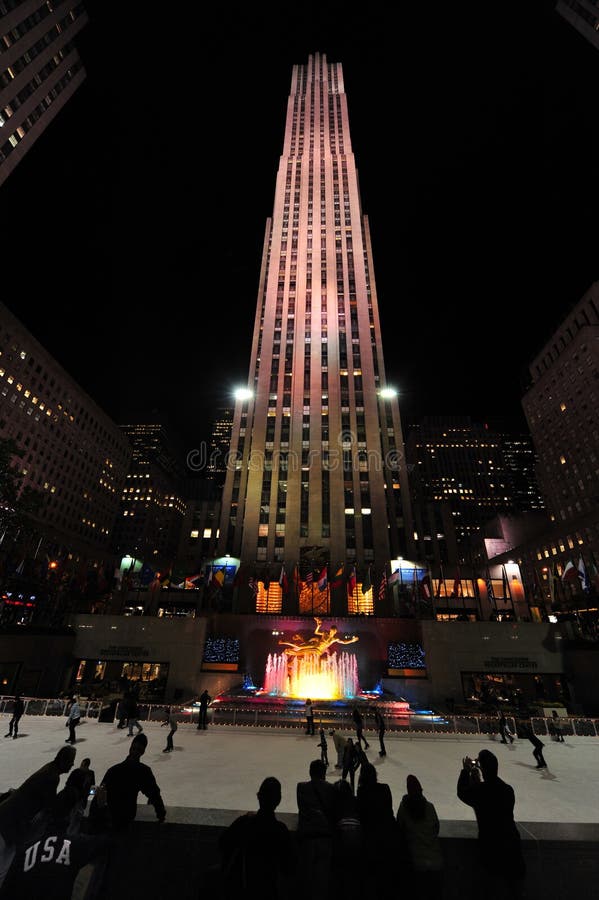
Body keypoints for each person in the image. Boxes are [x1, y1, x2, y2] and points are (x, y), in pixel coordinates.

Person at [0, 785, 114, 900]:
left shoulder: (24, 850)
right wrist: (102, 807)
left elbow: (7, 890)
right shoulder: (76, 845)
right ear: (71, 815)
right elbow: (107, 841)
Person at [0, 744, 76, 888]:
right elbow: (50, 805)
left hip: (9, 818)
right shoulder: (52, 776)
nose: (72, 764)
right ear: (64, 760)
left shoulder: (49, 769)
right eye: (71, 760)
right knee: (3, 866)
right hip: (10, 821)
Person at [457, 749, 526, 895]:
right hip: (512, 849)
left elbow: (463, 792)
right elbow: (492, 794)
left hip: (492, 851)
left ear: (482, 768)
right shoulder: (508, 790)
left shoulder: (480, 792)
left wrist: (466, 772)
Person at [218, 776, 296, 898]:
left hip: (243, 890)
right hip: (268, 891)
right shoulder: (280, 831)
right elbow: (288, 868)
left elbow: (222, 843)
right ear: (278, 800)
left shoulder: (244, 823)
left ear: (259, 796)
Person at [94, 732, 165, 832]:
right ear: (143, 751)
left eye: (136, 749)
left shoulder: (114, 770)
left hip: (109, 817)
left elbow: (100, 794)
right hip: (125, 818)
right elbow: (154, 794)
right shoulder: (142, 771)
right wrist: (161, 814)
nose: (135, 752)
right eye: (135, 749)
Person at [396, 774, 444, 900]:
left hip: (416, 862)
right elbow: (436, 828)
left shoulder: (404, 809)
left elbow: (399, 829)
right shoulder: (430, 807)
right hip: (435, 860)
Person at [296, 759, 338, 899]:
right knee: (322, 883)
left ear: (310, 772)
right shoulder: (332, 789)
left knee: (306, 882)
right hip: (325, 840)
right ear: (324, 773)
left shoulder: (301, 788)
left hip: (306, 840)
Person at [356, 762, 397, 895]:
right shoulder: (385, 788)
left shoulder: (361, 792)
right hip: (386, 840)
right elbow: (389, 812)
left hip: (369, 842)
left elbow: (361, 815)